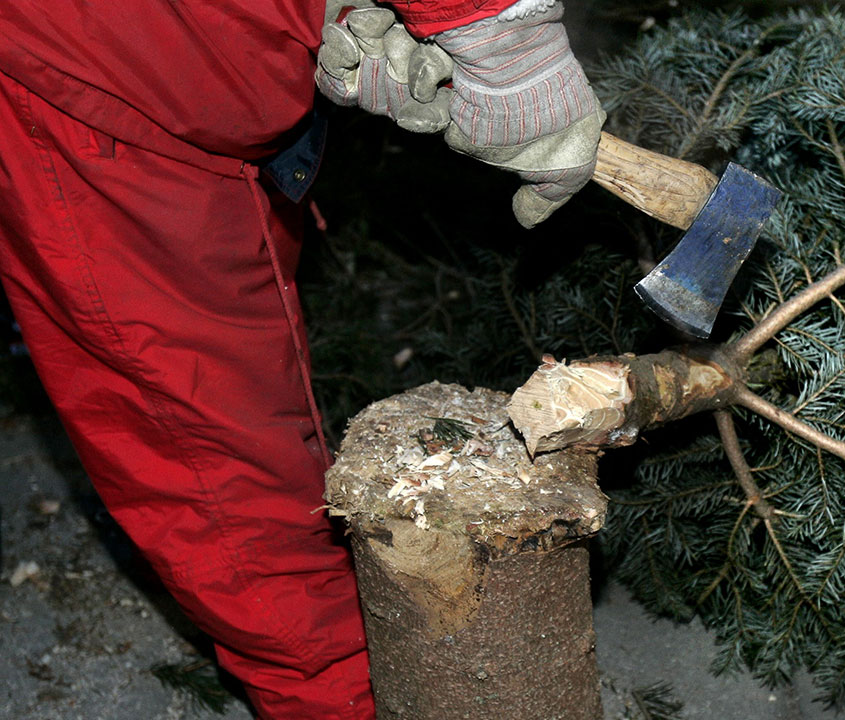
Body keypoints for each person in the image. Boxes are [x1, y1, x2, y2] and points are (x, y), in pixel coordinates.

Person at [0, 1, 601, 717]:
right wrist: (494, 28)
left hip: (186, 60)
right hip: (98, 66)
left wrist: (314, 13)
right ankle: (339, 701)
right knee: (211, 449)